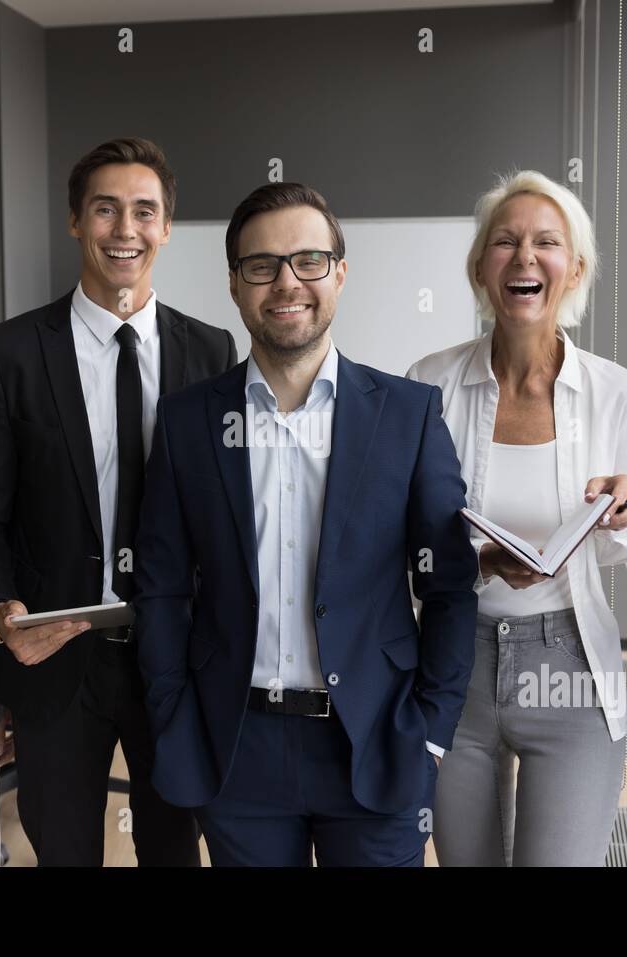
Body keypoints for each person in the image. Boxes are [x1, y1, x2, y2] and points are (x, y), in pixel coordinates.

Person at [135, 182, 477, 866]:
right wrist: (176, 715)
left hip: (376, 741)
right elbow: (162, 589)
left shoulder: (407, 414)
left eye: (308, 260)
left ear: (339, 274)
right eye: (261, 265)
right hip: (236, 749)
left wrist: (431, 730)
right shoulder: (186, 421)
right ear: (235, 285)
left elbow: (449, 588)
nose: (286, 282)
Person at [0, 138, 235, 866]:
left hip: (173, 659)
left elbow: (223, 512)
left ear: (167, 227)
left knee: (173, 849)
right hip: (54, 663)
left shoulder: (210, 350)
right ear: (76, 221)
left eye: (145, 211)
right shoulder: (8, 351)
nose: (125, 229)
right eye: (105, 209)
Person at [408, 170, 627, 866]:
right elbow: (402, 537)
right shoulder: (428, 381)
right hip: (457, 657)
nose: (524, 257)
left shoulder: (616, 392)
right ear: (481, 267)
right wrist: (471, 560)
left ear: (573, 270)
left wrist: (622, 513)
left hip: (569, 661)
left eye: (546, 243)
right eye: (505, 242)